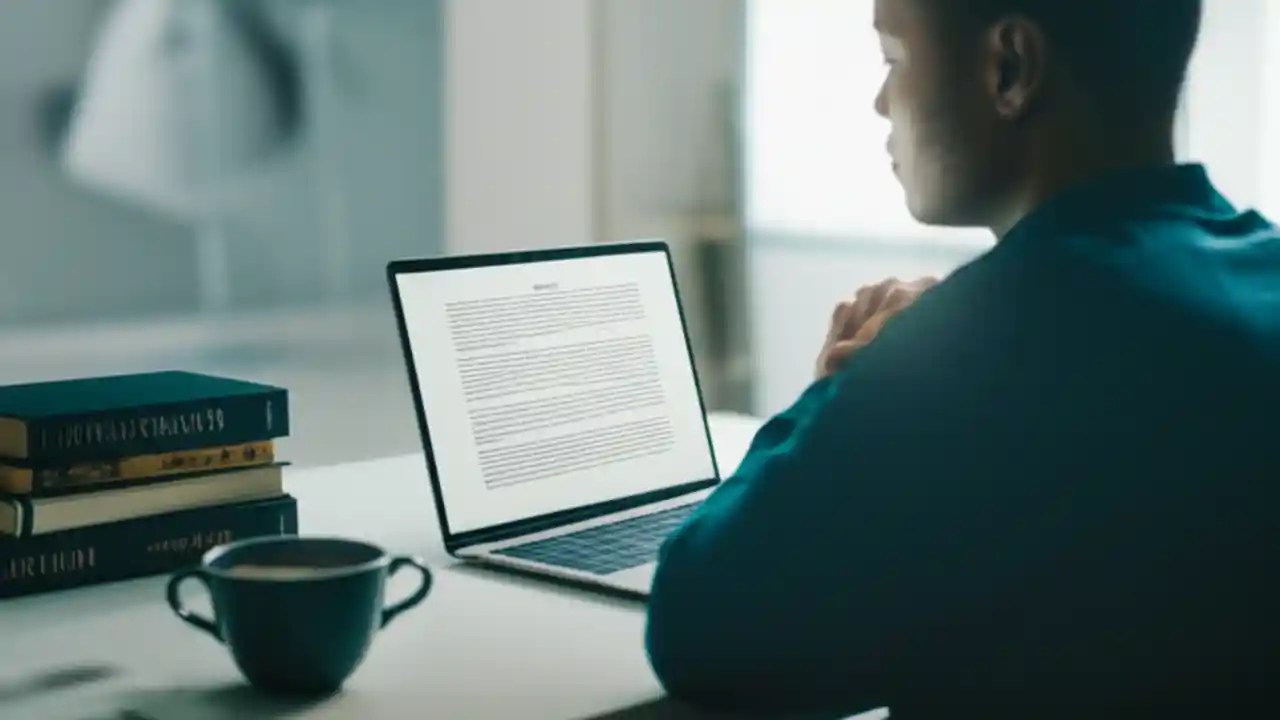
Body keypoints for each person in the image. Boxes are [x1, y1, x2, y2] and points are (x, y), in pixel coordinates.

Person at [645, 0, 1280, 717]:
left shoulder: (977, 354)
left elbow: (700, 624)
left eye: (894, 59)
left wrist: (851, 384)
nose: (881, 101)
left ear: (1009, 69)